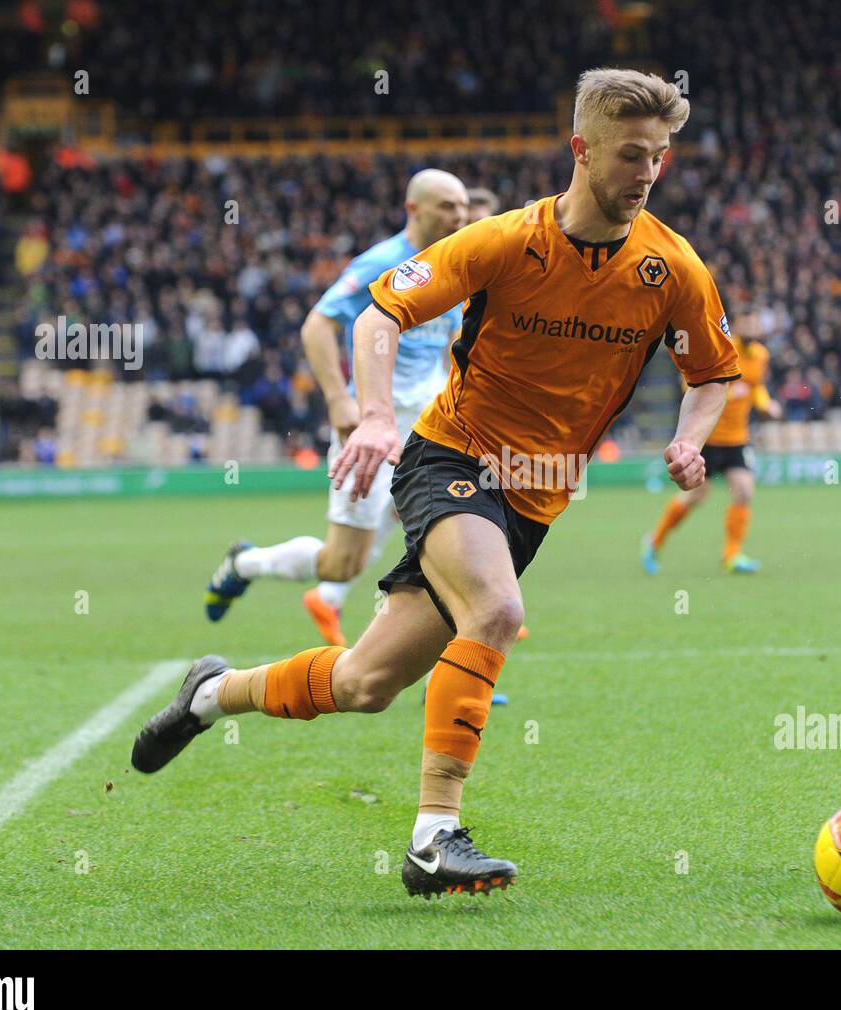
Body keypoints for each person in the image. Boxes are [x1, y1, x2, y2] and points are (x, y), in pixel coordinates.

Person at [134, 68, 740, 899]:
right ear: (581, 148)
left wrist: (689, 438)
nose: (647, 173)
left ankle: (210, 695)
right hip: (451, 457)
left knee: (365, 683)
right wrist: (375, 416)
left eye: (659, 156)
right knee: (497, 612)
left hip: (535, 498)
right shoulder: (504, 241)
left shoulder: (672, 266)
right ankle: (433, 839)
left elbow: (712, 372)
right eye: (631, 154)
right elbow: (379, 314)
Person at [201, 169, 469, 647]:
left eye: (463, 206)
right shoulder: (382, 263)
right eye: (447, 205)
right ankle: (246, 563)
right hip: (374, 426)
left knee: (449, 525)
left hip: (428, 424)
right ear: (413, 209)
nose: (460, 215)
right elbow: (317, 325)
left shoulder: (454, 264)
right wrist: (339, 400)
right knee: (341, 562)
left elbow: (448, 343)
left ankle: (460, 642)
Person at [642, 317, 779, 574]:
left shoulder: (761, 355)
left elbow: (756, 387)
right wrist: (723, 394)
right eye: (748, 324)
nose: (753, 330)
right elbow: (693, 383)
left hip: (737, 438)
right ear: (736, 325)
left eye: (756, 325)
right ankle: (654, 542)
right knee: (695, 496)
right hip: (709, 437)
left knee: (744, 491)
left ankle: (732, 555)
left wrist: (765, 404)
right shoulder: (721, 348)